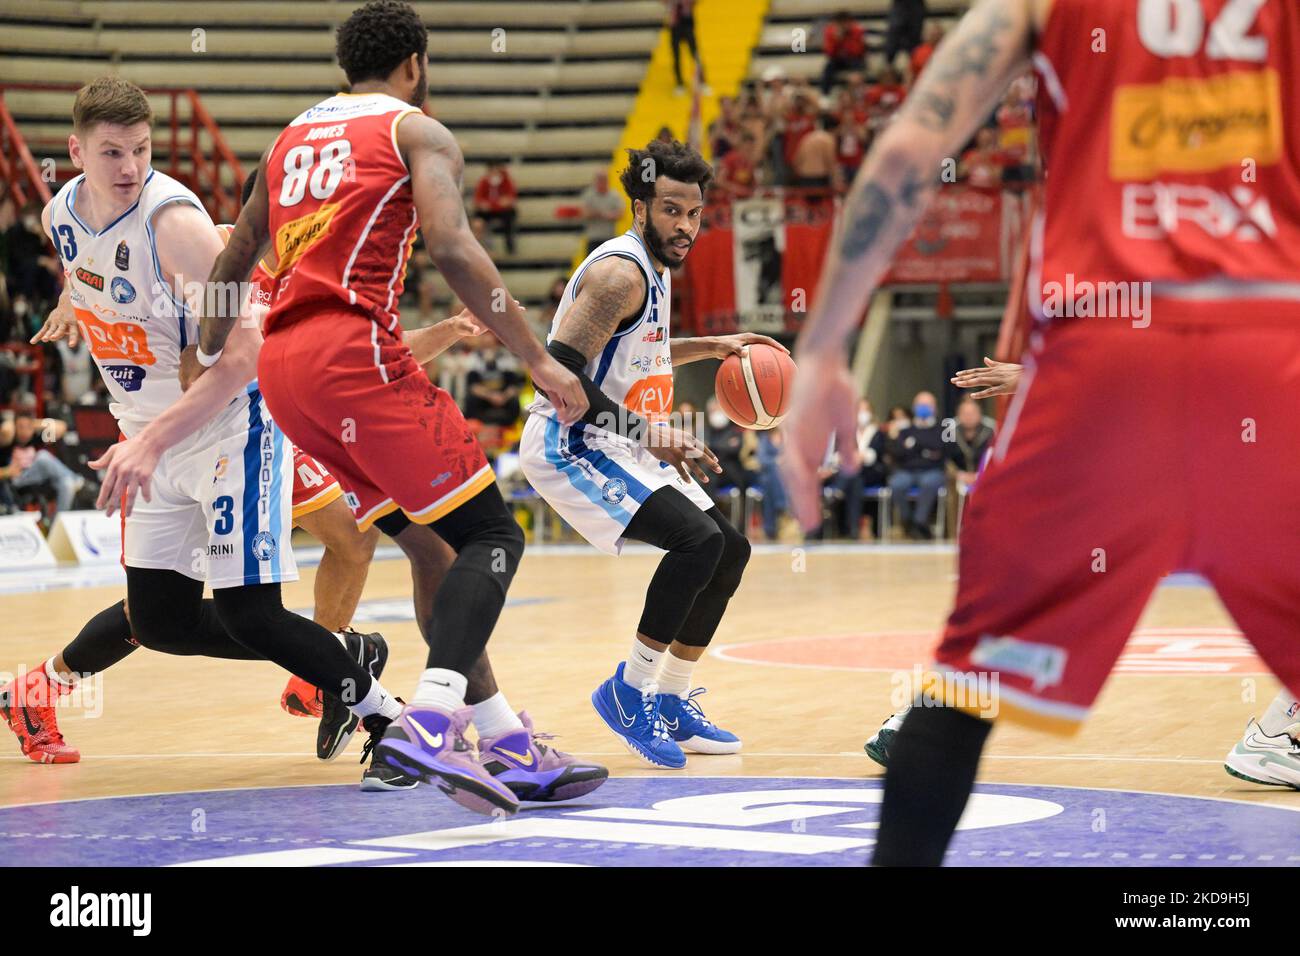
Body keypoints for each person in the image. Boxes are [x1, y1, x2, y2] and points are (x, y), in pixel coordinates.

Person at [782, 0, 1300, 865]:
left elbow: (912, 148)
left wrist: (826, 346)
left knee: (960, 688)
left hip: (1102, 362)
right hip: (1270, 348)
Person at [196, 0, 599, 817]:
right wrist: (535, 359)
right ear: (414, 61)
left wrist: (211, 344)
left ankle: (508, 744)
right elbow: (452, 247)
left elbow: (237, 254)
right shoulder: (417, 131)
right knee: (492, 534)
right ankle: (429, 721)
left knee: (430, 550)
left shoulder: (288, 140)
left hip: (284, 373)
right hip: (354, 353)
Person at [0, 75, 407, 773]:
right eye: (111, 154)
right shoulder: (60, 214)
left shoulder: (175, 225)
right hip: (155, 437)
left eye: (141, 150)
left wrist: (150, 441)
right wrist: (74, 300)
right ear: (75, 152)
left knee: (254, 610)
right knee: (158, 622)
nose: (128, 168)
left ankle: (395, 723)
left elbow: (246, 355)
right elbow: (86, 259)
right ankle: (340, 653)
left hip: (230, 432)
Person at [518, 138, 785, 768]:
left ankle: (669, 698)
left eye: (694, 214)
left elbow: (642, 350)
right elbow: (551, 373)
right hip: (572, 440)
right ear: (639, 208)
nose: (686, 226)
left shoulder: (654, 269)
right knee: (696, 541)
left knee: (729, 548)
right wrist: (649, 433)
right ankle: (628, 690)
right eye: (671, 211)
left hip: (621, 437)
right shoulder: (619, 273)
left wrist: (711, 345)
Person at [885, 391, 945, 539]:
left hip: (932, 471)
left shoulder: (942, 429)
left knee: (929, 482)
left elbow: (940, 450)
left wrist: (914, 445)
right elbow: (899, 452)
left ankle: (920, 520)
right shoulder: (905, 430)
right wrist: (925, 450)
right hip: (907, 471)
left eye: (927, 405)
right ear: (914, 407)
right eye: (920, 404)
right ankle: (908, 520)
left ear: (935, 408)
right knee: (896, 484)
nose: (923, 407)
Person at [0, 412, 84, 514]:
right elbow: (5, 430)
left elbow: (62, 427)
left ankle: (57, 523)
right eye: (21, 427)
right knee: (42, 456)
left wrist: (33, 423)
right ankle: (76, 479)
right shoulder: (7, 443)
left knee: (67, 484)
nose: (24, 432)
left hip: (37, 479)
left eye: (28, 428)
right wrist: (6, 471)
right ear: (15, 428)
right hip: (17, 480)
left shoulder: (34, 439)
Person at [472, 161, 518, 256]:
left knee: (509, 217)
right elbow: (478, 201)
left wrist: (491, 204)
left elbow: (510, 200)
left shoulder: (507, 182)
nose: (494, 174)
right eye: (492, 171)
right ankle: (479, 248)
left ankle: (510, 247)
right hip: (488, 212)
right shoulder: (483, 182)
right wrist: (497, 204)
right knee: (478, 223)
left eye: (496, 172)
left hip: (503, 212)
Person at [666, 0, 709, 96]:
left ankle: (702, 81)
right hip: (675, 27)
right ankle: (679, 83)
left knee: (695, 55)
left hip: (688, 25)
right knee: (676, 57)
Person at [822, 10, 867, 95]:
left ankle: (858, 92)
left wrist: (846, 38)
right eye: (840, 23)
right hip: (837, 60)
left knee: (857, 66)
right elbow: (829, 53)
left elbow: (858, 51)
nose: (843, 25)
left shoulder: (857, 30)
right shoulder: (830, 31)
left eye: (845, 22)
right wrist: (837, 40)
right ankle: (825, 95)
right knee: (828, 68)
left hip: (855, 59)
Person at [581, 171, 625, 254]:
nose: (601, 182)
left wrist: (604, 215)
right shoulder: (589, 195)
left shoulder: (614, 195)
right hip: (593, 238)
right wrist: (602, 214)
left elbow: (620, 214)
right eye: (599, 180)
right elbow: (584, 213)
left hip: (609, 237)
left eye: (603, 179)